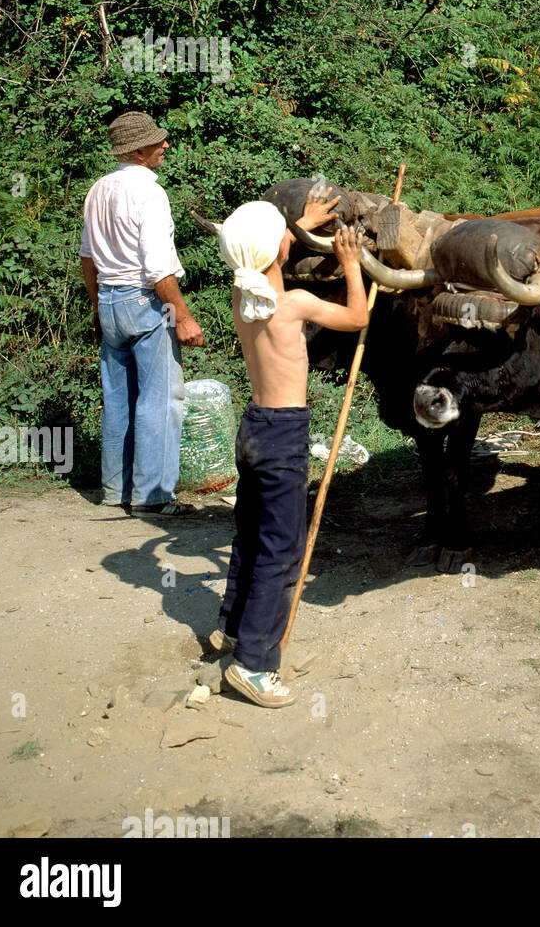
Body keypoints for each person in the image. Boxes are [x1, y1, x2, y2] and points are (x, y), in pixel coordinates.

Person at [208, 196, 369, 708]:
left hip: (253, 427)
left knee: (251, 534)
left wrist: (298, 226)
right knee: (283, 551)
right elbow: (357, 316)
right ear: (279, 249)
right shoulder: (293, 304)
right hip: (283, 437)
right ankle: (254, 664)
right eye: (285, 236)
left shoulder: (244, 294)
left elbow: (260, 255)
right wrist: (349, 265)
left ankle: (233, 629)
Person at [80, 111, 205, 515]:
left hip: (110, 300)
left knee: (117, 399)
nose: (164, 146)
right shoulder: (150, 193)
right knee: (160, 398)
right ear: (138, 151)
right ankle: (153, 498)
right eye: (157, 142)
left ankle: (115, 493)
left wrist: (99, 308)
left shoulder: (98, 190)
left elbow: (87, 258)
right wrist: (183, 317)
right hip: (144, 301)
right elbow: (158, 269)